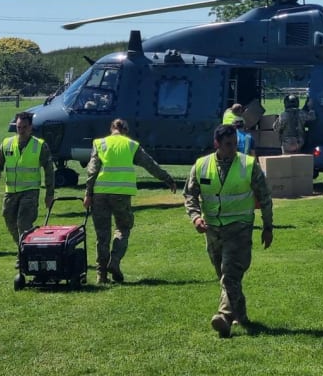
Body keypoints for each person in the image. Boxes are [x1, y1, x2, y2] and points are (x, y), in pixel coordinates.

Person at [184, 124, 273, 338]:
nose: (233, 148)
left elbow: (265, 197)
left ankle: (223, 317)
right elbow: (190, 195)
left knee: (230, 275)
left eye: (235, 144)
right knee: (224, 277)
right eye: (228, 144)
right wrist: (195, 217)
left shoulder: (248, 165)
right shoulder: (201, 165)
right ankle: (240, 315)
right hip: (212, 230)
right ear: (217, 144)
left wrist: (267, 227)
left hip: (239, 229)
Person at [83, 118, 178, 284]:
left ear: (111, 128)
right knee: (123, 228)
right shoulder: (131, 145)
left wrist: (88, 193)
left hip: (100, 194)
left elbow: (92, 170)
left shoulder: (100, 143)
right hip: (121, 194)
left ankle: (101, 275)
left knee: (102, 235)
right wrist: (167, 179)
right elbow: (150, 165)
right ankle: (115, 261)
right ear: (125, 129)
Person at [0, 111, 55, 247]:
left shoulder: (40, 145)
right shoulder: (7, 143)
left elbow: (49, 170)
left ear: (31, 127)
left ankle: (24, 253)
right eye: (19, 127)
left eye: (24, 127)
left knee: (23, 223)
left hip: (30, 192)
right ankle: (24, 248)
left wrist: (49, 194)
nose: (21, 130)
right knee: (9, 220)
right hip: (11, 191)